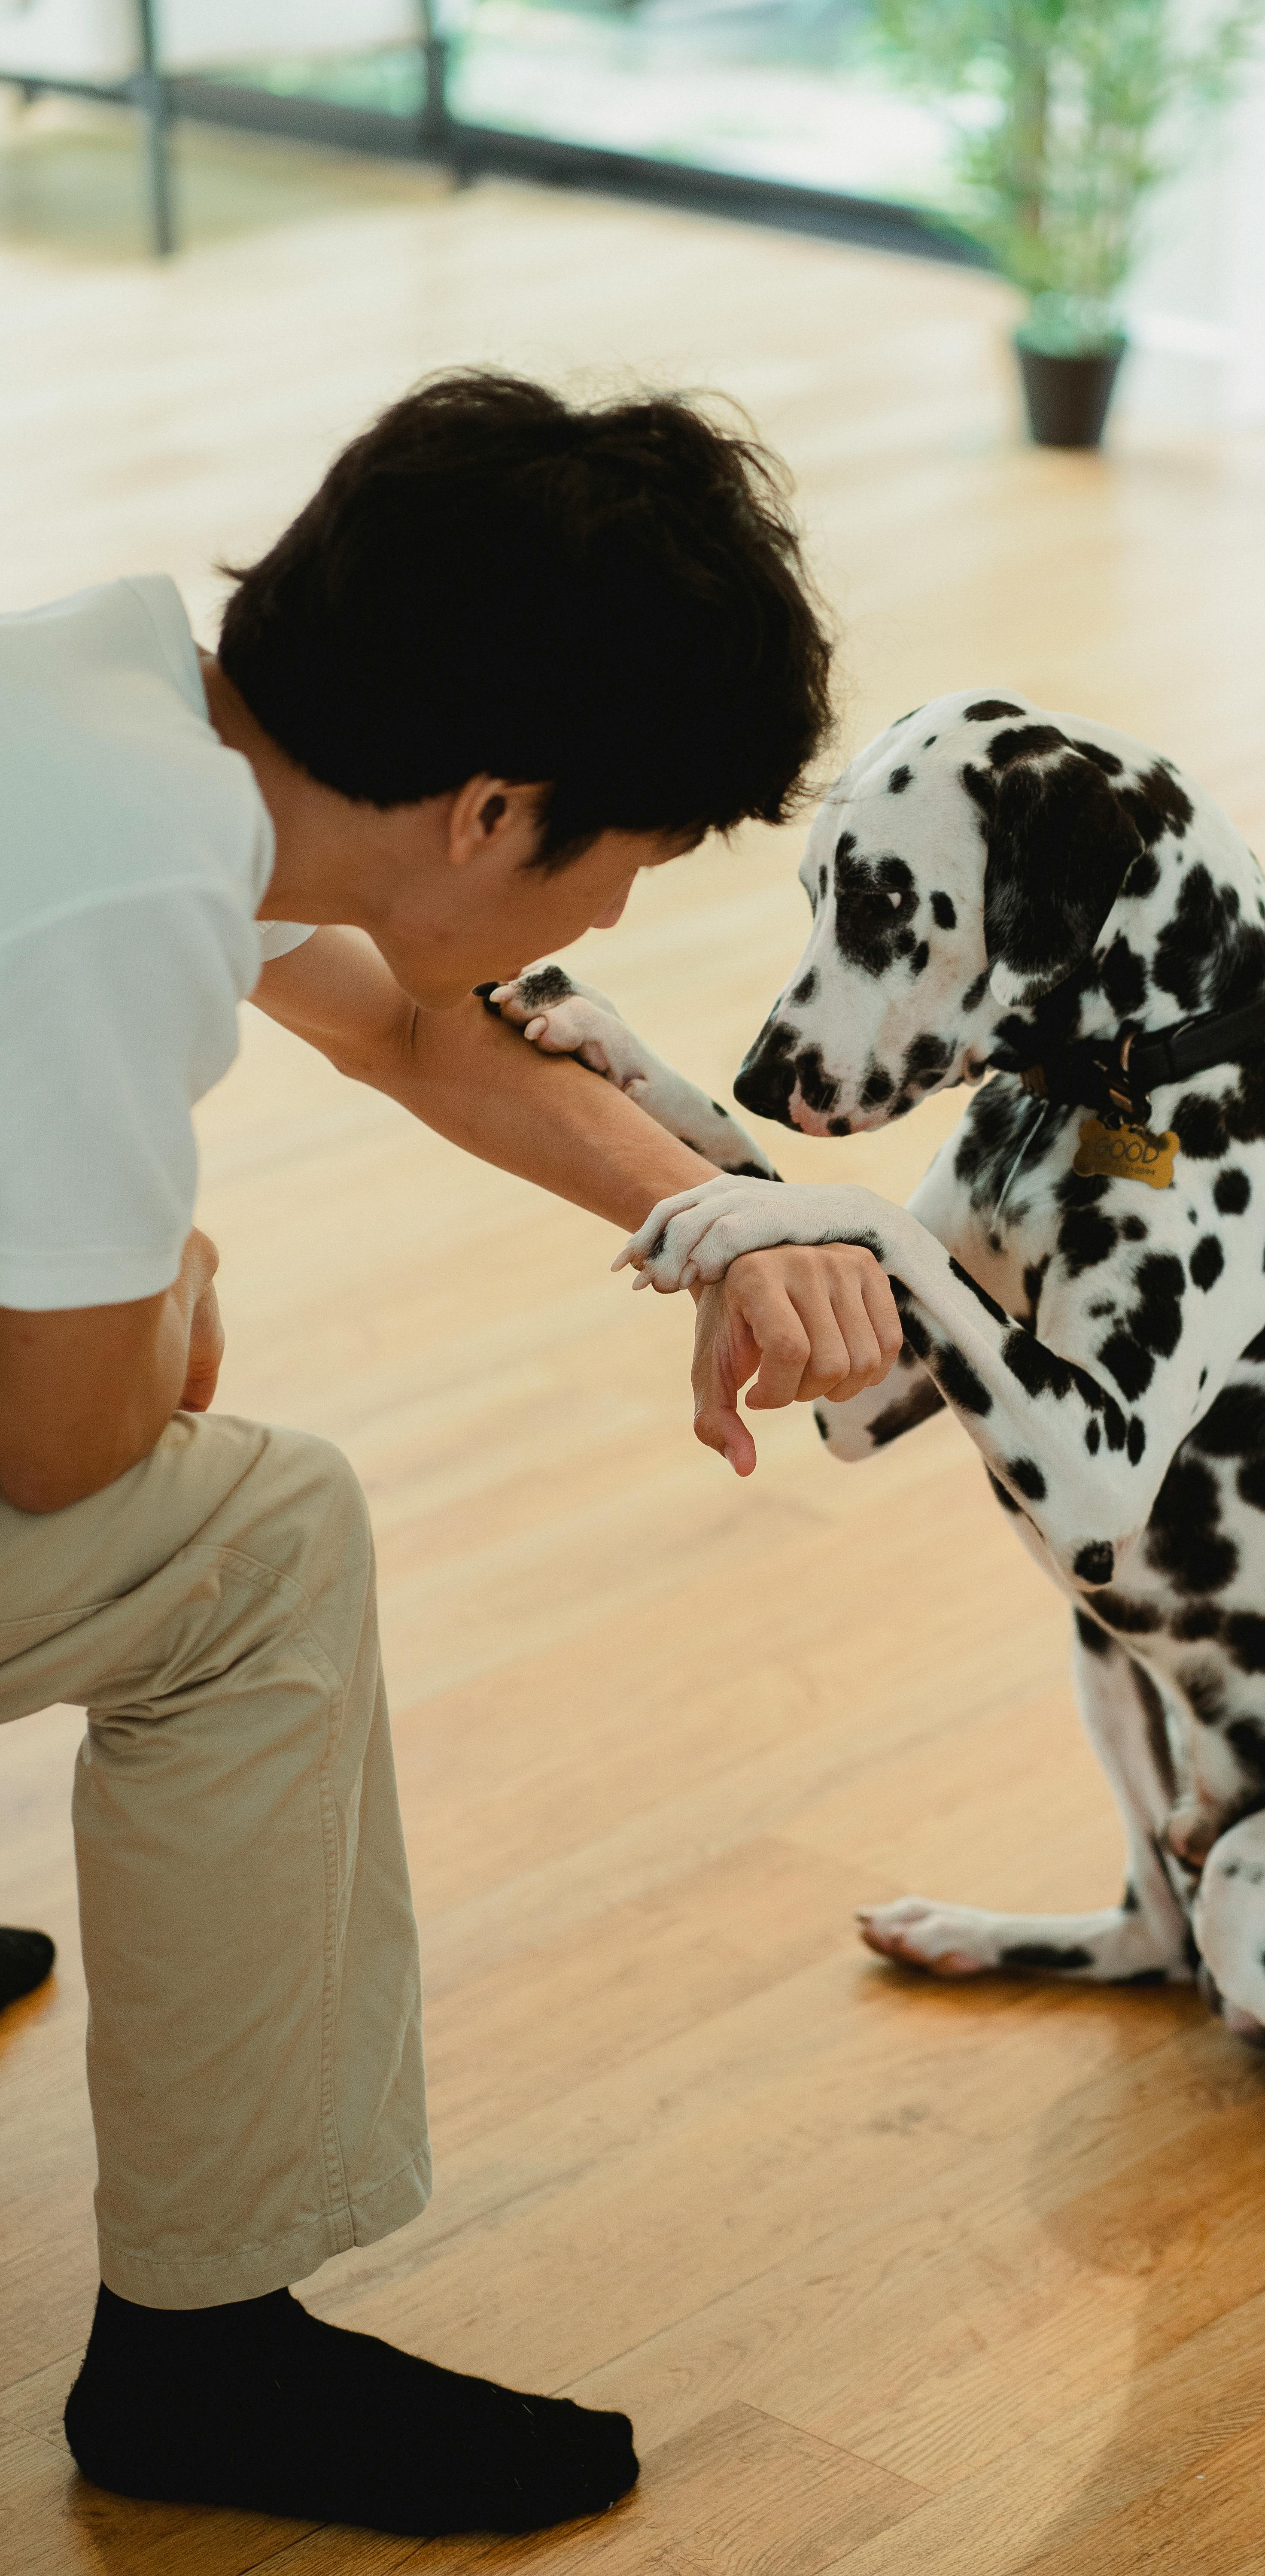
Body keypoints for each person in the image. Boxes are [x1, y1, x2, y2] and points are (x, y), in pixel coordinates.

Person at [0, 371, 900, 2538]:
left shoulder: (113, 714)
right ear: (495, 810)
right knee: (256, 1542)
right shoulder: (116, 893)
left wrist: (735, 1206)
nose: (602, 932)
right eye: (621, 864)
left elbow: (420, 1030)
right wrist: (179, 1287)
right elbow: (68, 1454)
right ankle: (205, 2359)